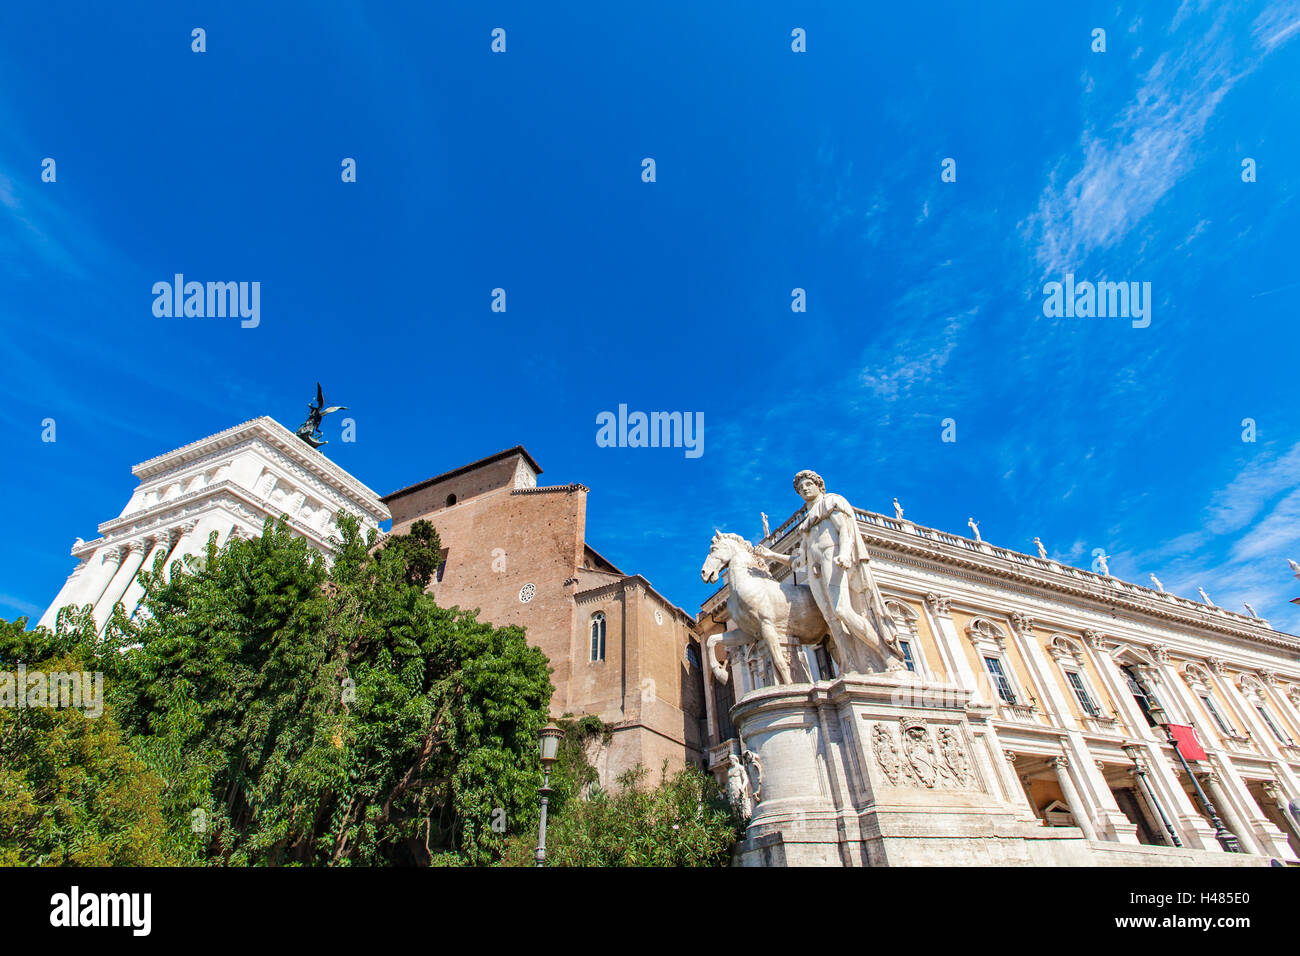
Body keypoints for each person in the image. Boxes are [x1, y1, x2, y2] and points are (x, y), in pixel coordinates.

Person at [756, 470, 905, 673]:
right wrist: (772, 556)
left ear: (819, 485)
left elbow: (845, 530)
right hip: (816, 569)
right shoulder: (807, 524)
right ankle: (849, 666)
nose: (804, 489)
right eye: (800, 488)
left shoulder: (831, 502)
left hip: (833, 558)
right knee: (832, 620)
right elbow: (800, 561)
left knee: (841, 609)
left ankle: (887, 656)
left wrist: (844, 553)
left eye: (808, 484)